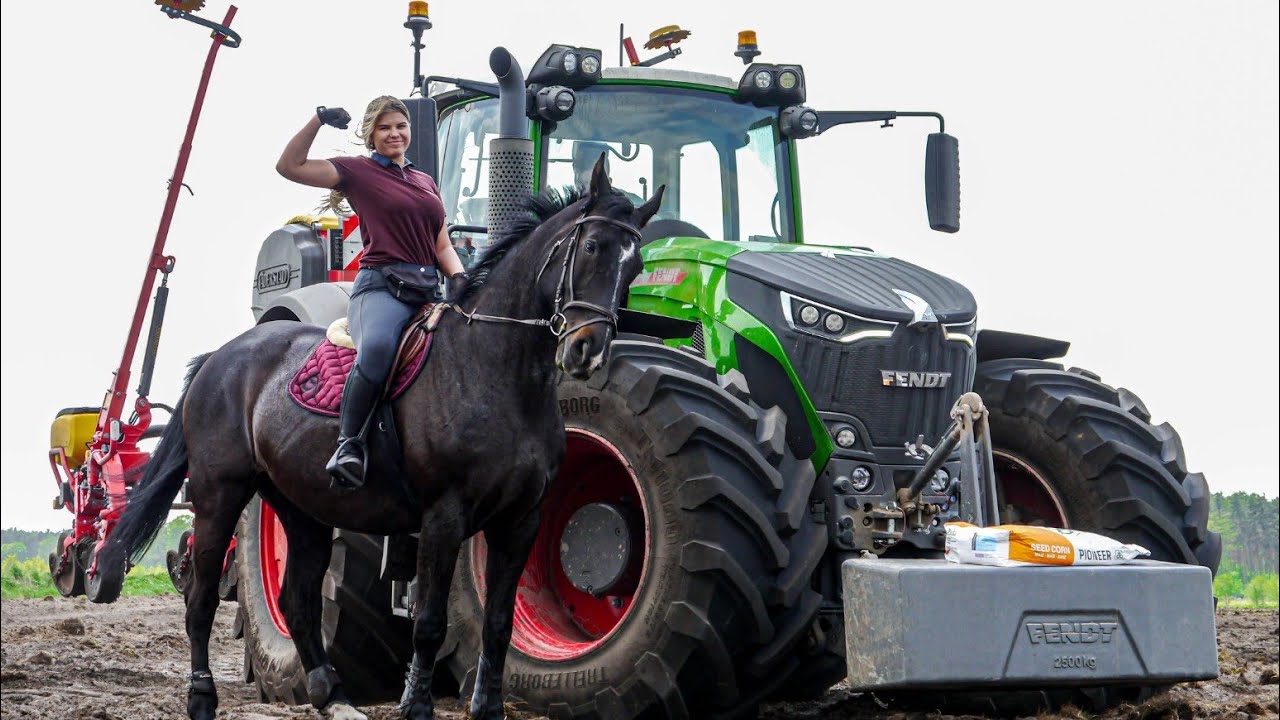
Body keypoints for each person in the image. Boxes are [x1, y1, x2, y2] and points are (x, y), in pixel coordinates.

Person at [276, 96, 467, 489]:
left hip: (428, 292)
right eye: (384, 128)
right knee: (378, 349)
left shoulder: (425, 180)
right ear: (371, 135)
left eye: (400, 125)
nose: (394, 133)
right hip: (382, 290)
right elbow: (289, 167)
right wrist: (317, 120)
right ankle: (349, 446)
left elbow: (442, 244)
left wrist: (460, 278)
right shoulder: (357, 172)